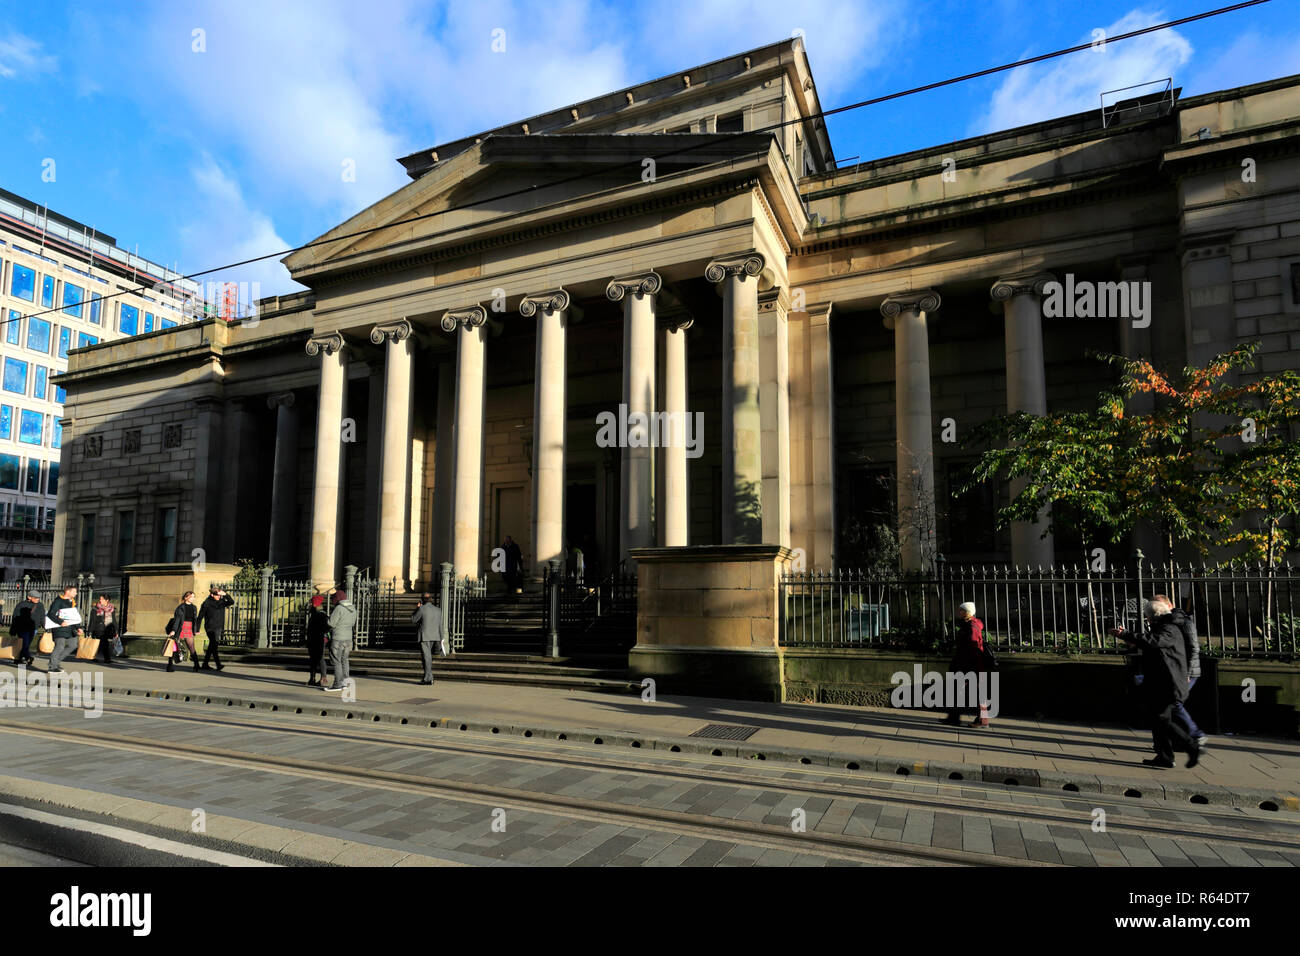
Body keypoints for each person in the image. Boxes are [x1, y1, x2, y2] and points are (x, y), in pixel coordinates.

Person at [1111, 596, 1204, 769]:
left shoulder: (1169, 628)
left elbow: (1154, 641)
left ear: (1151, 616)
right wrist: (1130, 639)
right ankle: (1165, 756)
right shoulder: (1163, 626)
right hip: (1160, 682)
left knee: (1162, 719)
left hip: (1169, 683)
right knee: (1157, 718)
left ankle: (1191, 745)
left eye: (1147, 616)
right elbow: (1150, 644)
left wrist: (1125, 634)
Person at [1160, 593, 1209, 752]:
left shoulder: (1185, 622)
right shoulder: (1168, 621)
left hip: (1188, 671)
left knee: (1175, 703)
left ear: (1169, 606)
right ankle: (1180, 740)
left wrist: (1187, 672)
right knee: (1172, 704)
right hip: (1177, 670)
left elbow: (1194, 648)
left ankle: (1195, 735)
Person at [940, 602, 991, 727]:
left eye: (962, 610)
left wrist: (966, 664)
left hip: (970, 665)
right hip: (967, 664)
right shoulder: (968, 625)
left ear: (968, 612)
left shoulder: (972, 626)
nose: (960, 612)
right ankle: (954, 717)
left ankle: (982, 720)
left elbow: (973, 647)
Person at [45, 585, 84, 676]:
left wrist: (78, 627)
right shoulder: (58, 601)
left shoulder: (73, 602)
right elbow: (51, 614)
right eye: (74, 591)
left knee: (73, 645)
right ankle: (52, 667)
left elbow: (73, 617)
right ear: (68, 591)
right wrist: (60, 621)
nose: (76, 593)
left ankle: (55, 662)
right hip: (60, 628)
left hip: (71, 629)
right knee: (60, 646)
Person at [324, 589, 357, 692]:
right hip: (348, 639)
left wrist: (327, 619)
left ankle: (337, 684)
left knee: (336, 661)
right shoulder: (353, 608)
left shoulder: (339, 608)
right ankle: (345, 683)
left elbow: (331, 623)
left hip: (338, 638)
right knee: (344, 660)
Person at [410, 592, 444, 686]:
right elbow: (440, 625)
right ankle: (428, 677)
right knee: (427, 658)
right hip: (435, 636)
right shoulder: (438, 610)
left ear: (422, 600)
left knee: (426, 657)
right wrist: (441, 637)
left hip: (425, 636)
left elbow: (413, 619)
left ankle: (428, 678)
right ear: (431, 599)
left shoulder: (421, 609)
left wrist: (417, 608)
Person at [198, 586, 234, 671]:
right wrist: (197, 628)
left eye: (219, 595)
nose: (218, 596)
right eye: (217, 595)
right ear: (211, 595)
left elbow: (231, 602)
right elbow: (200, 617)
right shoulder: (206, 603)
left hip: (218, 627)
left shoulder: (221, 602)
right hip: (210, 627)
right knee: (214, 644)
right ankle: (218, 664)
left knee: (213, 645)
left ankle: (205, 664)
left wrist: (225, 594)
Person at [166, 591, 200, 673]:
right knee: (174, 648)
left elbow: (195, 620)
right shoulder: (181, 607)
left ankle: (196, 665)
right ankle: (170, 665)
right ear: (186, 598)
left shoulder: (194, 607)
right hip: (180, 627)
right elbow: (177, 620)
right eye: (191, 597)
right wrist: (174, 630)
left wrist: (195, 630)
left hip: (189, 628)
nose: (193, 598)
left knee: (191, 647)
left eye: (194, 597)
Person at [10, 590, 44, 667]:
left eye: (38, 598)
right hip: (22, 628)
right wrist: (13, 630)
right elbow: (15, 617)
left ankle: (18, 659)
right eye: (35, 598)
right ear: (29, 597)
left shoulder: (40, 605)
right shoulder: (22, 605)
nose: (37, 599)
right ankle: (28, 658)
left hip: (33, 628)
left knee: (26, 644)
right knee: (24, 644)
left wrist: (45, 626)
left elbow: (42, 617)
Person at [88, 594, 120, 667]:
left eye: (102, 599)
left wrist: (116, 630)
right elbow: (93, 620)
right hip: (99, 628)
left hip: (108, 629)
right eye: (100, 599)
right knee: (104, 643)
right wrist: (90, 631)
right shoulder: (95, 609)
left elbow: (114, 620)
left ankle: (93, 656)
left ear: (107, 600)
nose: (100, 600)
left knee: (101, 643)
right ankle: (107, 659)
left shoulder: (112, 609)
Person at [305, 594, 330, 686]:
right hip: (312, 639)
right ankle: (312, 678)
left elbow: (326, 628)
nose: (310, 604)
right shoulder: (313, 614)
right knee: (313, 659)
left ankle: (323, 678)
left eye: (311, 602)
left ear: (315, 604)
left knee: (320, 658)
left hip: (319, 640)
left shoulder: (322, 615)